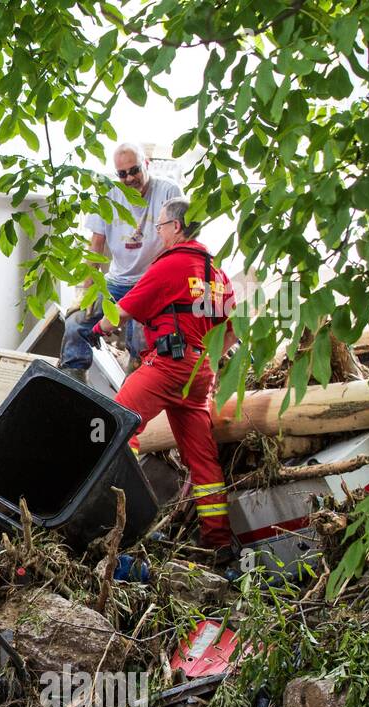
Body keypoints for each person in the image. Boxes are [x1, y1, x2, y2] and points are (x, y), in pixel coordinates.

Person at [80, 197, 237, 559]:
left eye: (162, 226)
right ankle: (219, 542)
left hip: (168, 364)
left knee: (116, 426)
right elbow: (231, 330)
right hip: (200, 373)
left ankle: (128, 522)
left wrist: (98, 326)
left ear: (177, 228)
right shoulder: (216, 271)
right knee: (203, 459)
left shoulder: (171, 265)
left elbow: (125, 308)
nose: (159, 232)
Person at [61, 142, 183, 381]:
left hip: (151, 282)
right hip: (116, 282)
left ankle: (131, 398)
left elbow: (177, 243)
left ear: (146, 164)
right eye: (122, 174)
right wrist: (86, 292)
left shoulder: (169, 191)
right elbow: (96, 246)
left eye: (135, 170)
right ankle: (74, 383)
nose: (129, 178)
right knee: (76, 321)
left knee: (140, 336)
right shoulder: (107, 194)